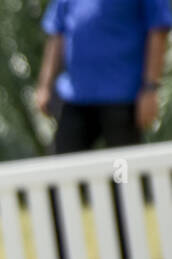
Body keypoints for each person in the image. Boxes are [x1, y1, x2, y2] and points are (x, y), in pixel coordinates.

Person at [35, 0, 170, 153]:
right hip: (74, 98)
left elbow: (158, 30)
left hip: (123, 99)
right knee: (64, 164)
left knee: (123, 166)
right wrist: (44, 86)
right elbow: (57, 33)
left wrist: (150, 89)